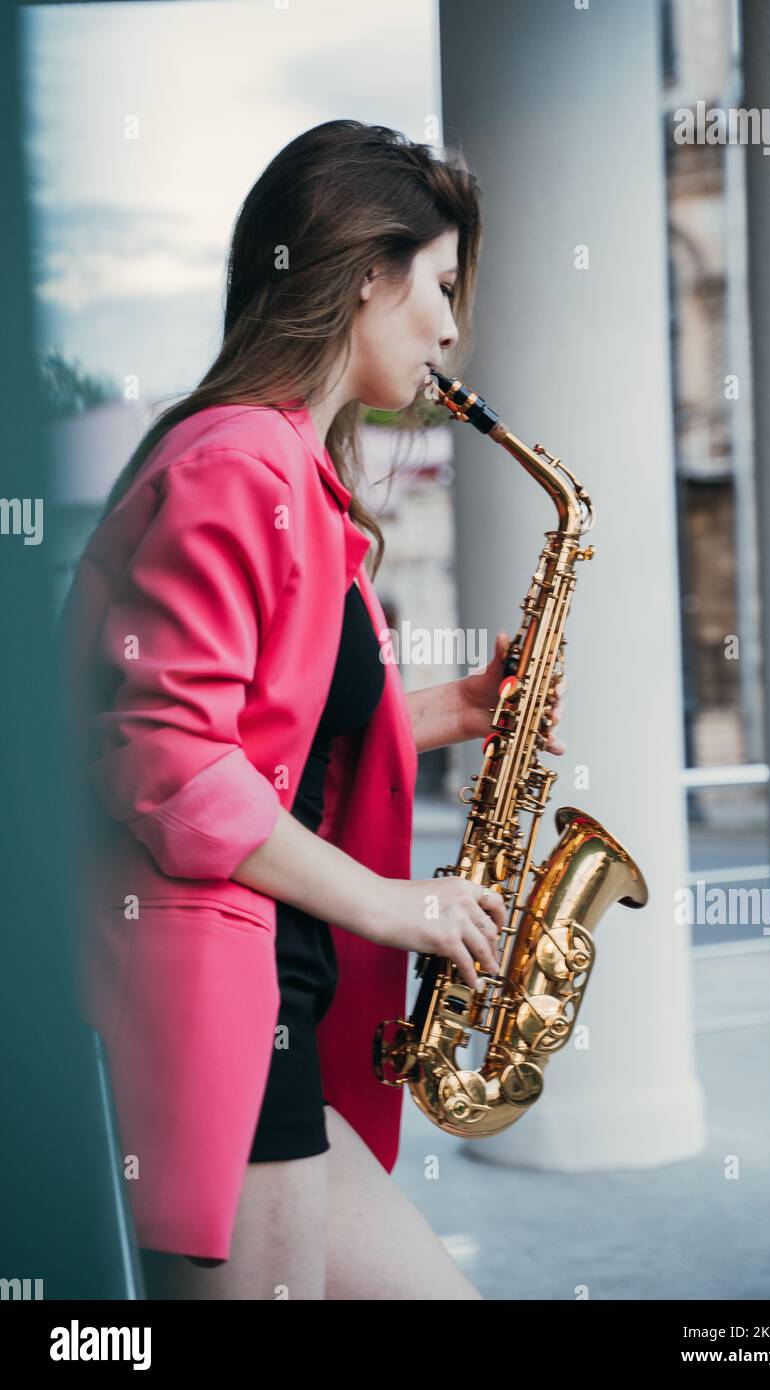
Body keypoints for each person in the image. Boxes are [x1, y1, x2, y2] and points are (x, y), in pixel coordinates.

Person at [59, 120, 565, 1301]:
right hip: (215, 1022)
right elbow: (170, 760)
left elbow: (264, 727)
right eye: (439, 287)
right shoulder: (236, 461)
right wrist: (397, 904)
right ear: (361, 271)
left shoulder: (287, 464)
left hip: (265, 1007)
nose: (451, 328)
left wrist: (459, 707)